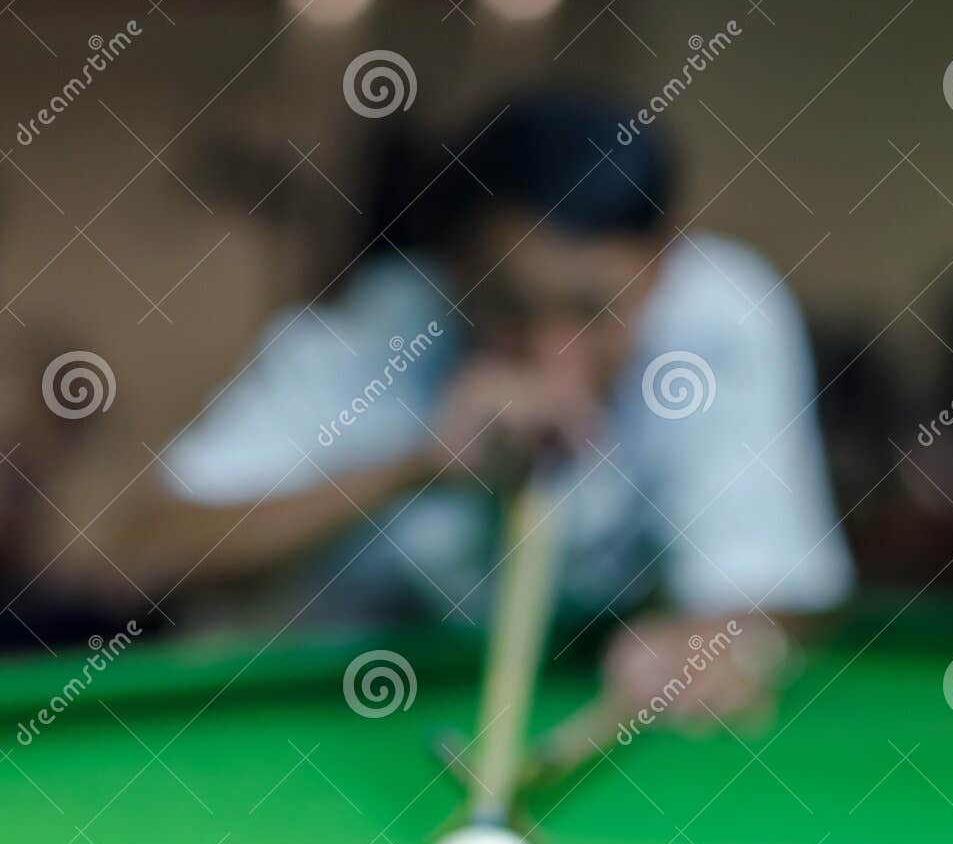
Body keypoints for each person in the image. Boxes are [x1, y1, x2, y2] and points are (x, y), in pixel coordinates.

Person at [65, 92, 854, 726]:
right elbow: (139, 550)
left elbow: (782, 592)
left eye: (590, 309)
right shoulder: (373, 336)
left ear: (665, 263)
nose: (553, 352)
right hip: (303, 710)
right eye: (507, 305)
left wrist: (708, 640)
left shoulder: (720, 321)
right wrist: (414, 465)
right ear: (451, 269)